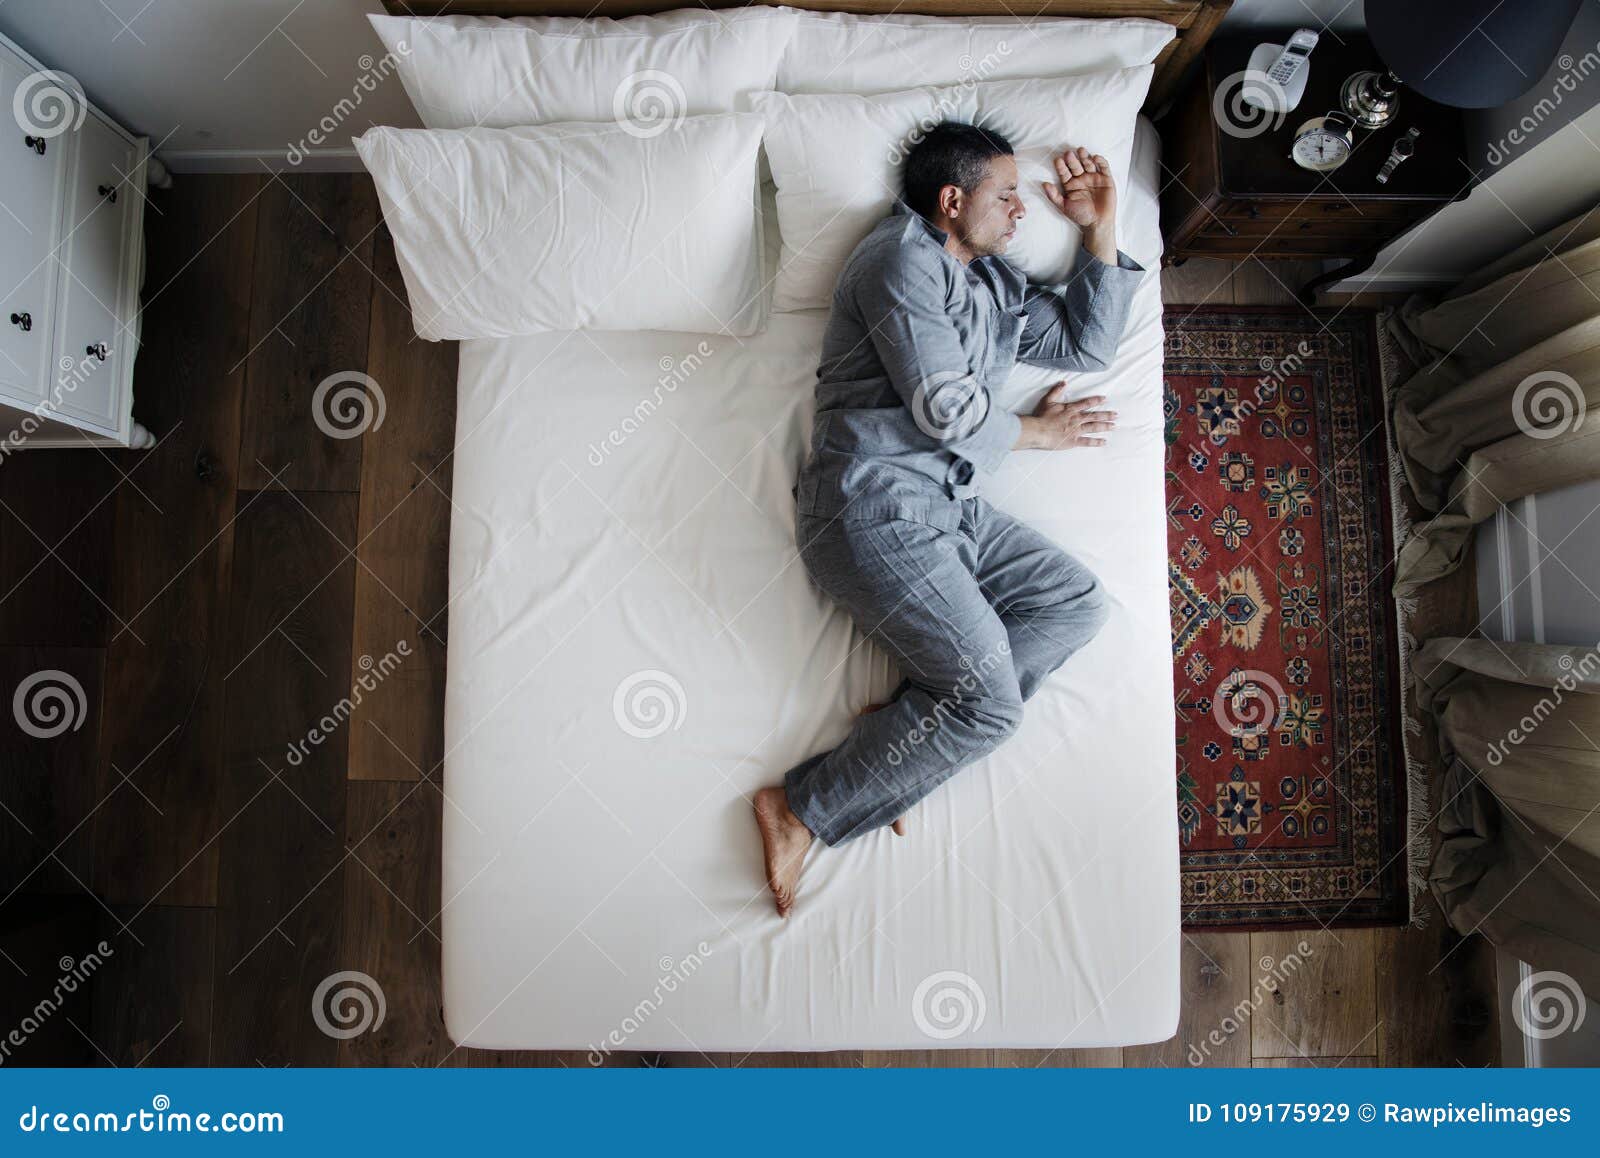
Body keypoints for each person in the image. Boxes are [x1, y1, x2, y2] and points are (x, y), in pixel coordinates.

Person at [752, 122, 1146, 917]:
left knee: (1073, 602)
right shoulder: (898, 260)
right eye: (1007, 196)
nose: (1021, 212)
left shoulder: (995, 285)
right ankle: (799, 808)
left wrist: (1100, 229)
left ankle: (910, 729)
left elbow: (1085, 343)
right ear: (951, 199)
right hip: (870, 508)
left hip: (950, 510)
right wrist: (1039, 432)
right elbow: (945, 406)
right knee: (990, 707)